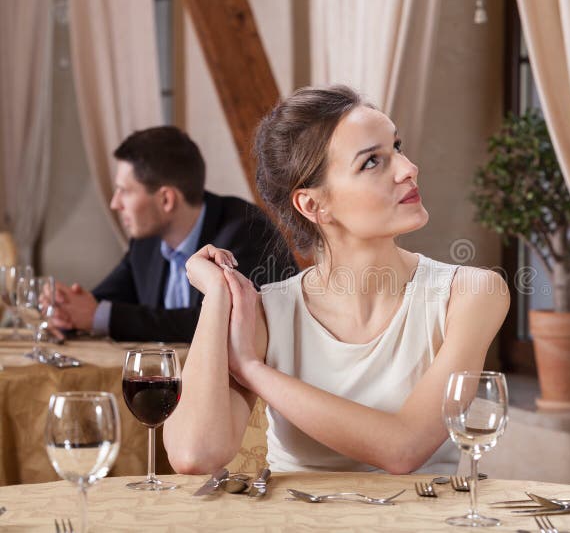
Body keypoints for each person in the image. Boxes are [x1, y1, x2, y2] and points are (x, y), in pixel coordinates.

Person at [163, 86, 509, 474]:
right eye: (372, 162)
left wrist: (252, 369)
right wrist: (216, 296)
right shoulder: (268, 312)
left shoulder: (471, 293)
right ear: (313, 205)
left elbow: (404, 448)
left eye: (397, 147)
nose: (408, 168)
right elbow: (195, 454)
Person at [51, 126, 296, 342]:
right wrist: (67, 309)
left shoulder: (247, 230)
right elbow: (102, 302)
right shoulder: (145, 243)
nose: (115, 204)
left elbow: (214, 322)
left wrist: (96, 315)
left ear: (166, 199)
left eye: (124, 191)